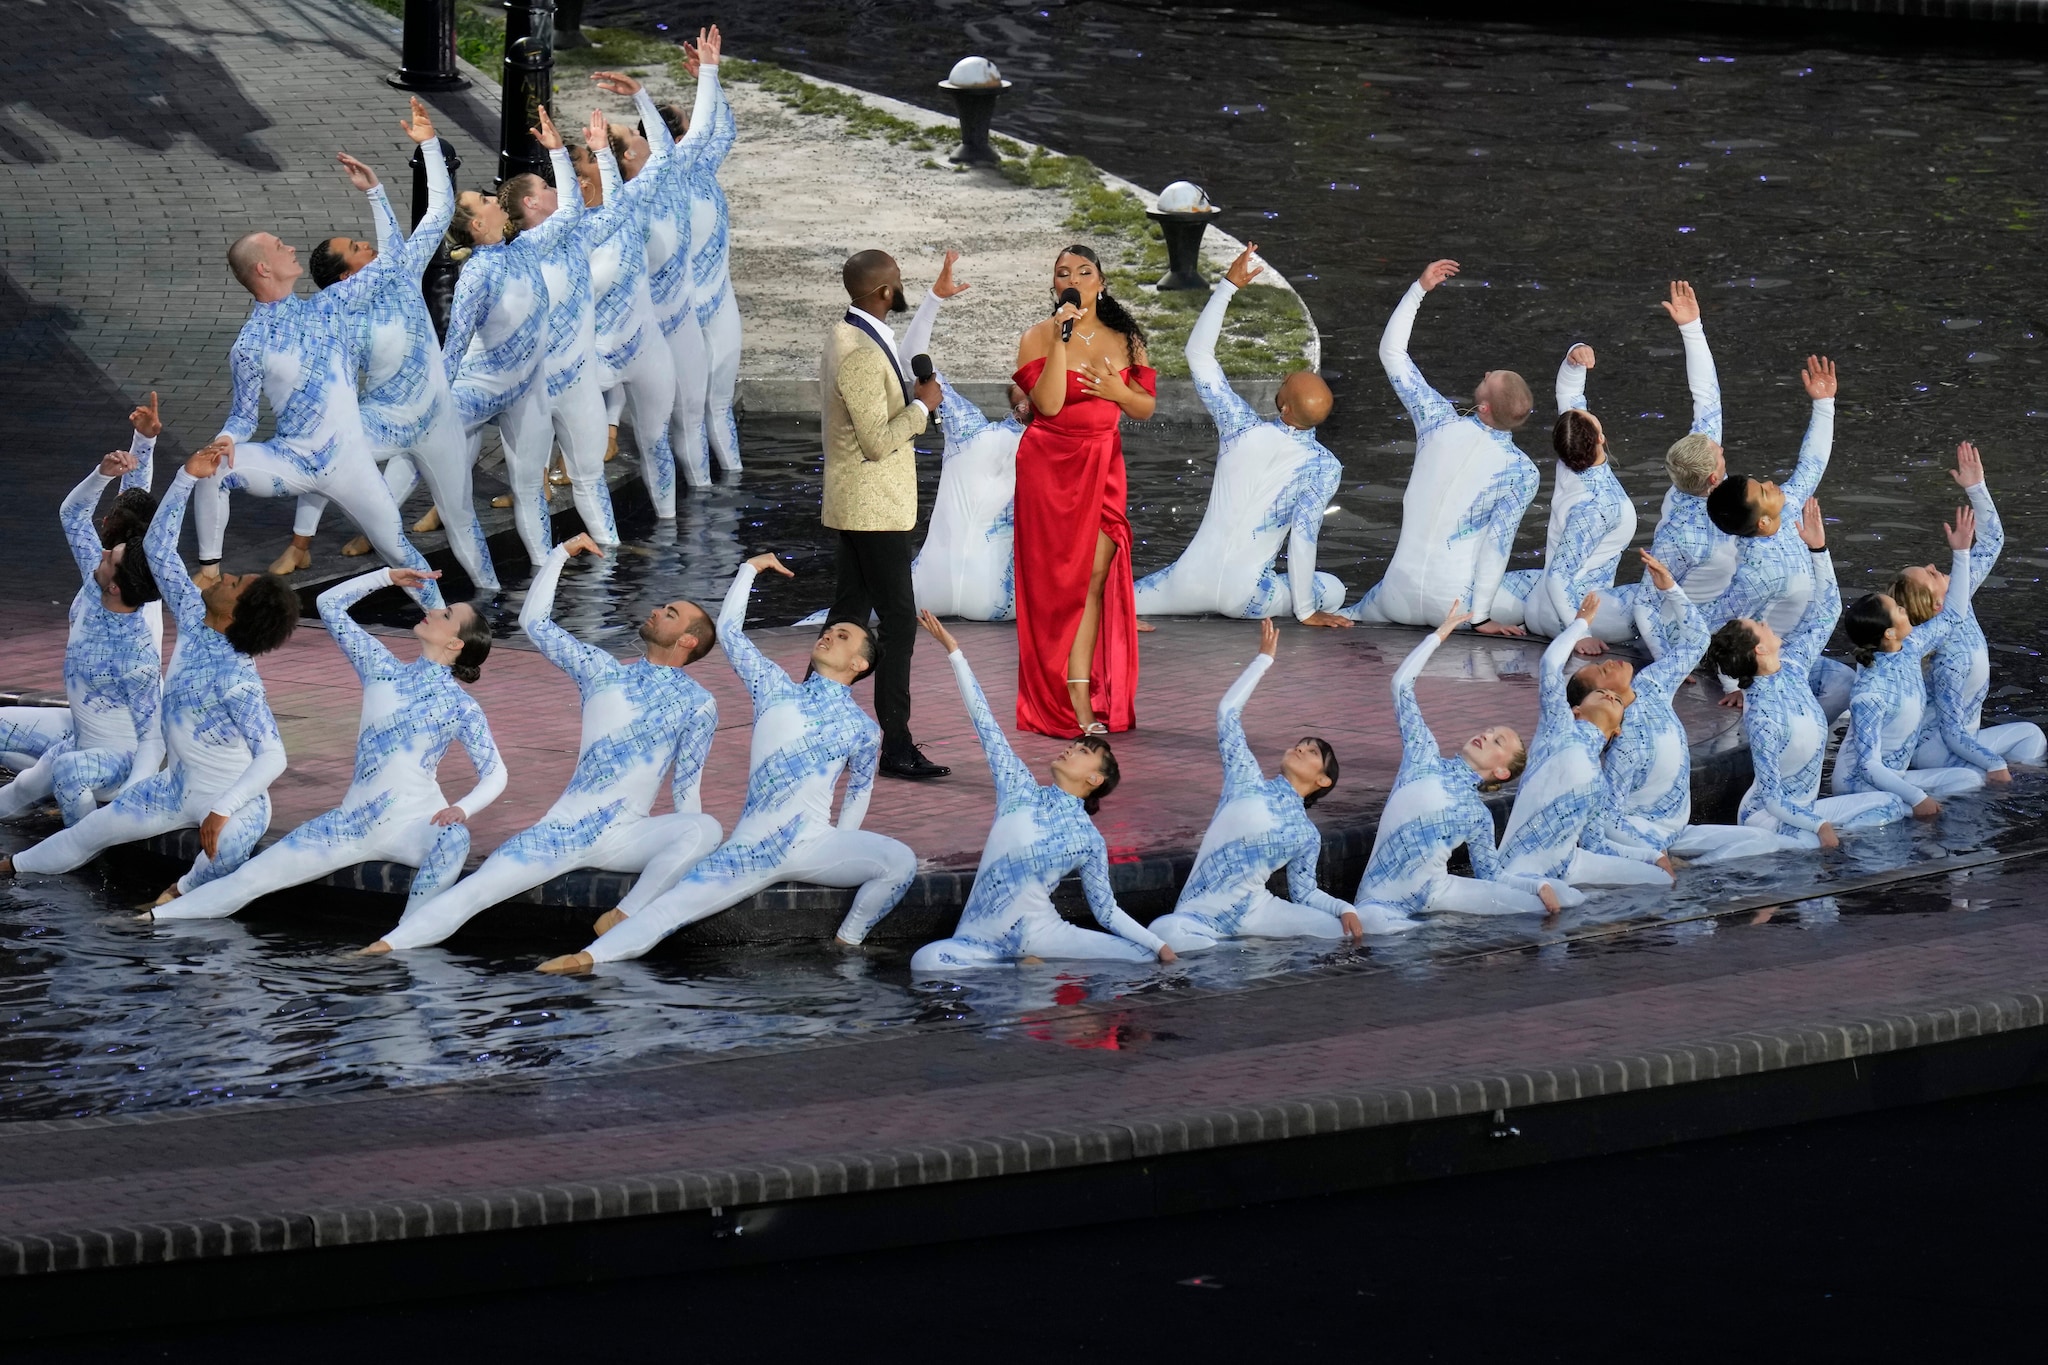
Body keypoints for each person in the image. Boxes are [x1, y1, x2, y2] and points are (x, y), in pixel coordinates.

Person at [538, 554, 916, 972]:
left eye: (841, 636)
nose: (828, 636)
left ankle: (848, 947)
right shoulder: (774, 689)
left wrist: (841, 845)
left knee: (900, 862)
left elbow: (859, 791)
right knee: (669, 911)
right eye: (828, 631)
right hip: (751, 849)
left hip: (814, 843)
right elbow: (731, 632)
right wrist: (749, 571)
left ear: (860, 664)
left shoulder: (863, 728)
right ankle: (588, 957)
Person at [365, 534, 722, 951]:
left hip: (626, 834)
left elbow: (687, 787)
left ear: (688, 640)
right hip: (561, 831)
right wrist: (558, 556)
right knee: (474, 893)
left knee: (703, 828)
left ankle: (624, 916)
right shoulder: (603, 671)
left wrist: (689, 857)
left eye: (670, 613)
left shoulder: (700, 703)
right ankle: (379, 950)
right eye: (663, 607)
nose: (657, 610)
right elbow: (535, 623)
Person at [3, 441, 297, 891]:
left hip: (229, 800)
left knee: (227, 854)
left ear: (236, 615)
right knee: (88, 831)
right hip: (174, 788)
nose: (223, 576)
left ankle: (170, 903)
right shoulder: (196, 617)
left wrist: (224, 808)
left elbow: (274, 755)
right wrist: (186, 478)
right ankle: (15, 866)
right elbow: (157, 548)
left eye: (233, 583)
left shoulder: (239, 679)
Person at [151, 564, 501, 921]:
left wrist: (464, 808)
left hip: (414, 824)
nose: (432, 612)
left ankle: (401, 940)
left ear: (455, 643)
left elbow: (495, 773)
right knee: (249, 879)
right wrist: (385, 577)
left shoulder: (462, 707)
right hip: (349, 824)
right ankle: (152, 920)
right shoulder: (381, 667)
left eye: (445, 615)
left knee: (454, 839)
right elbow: (329, 604)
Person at [291, 100, 497, 594]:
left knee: (463, 519)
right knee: (321, 454)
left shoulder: (401, 273)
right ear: (345, 275)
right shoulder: (338, 313)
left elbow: (441, 210)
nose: (371, 247)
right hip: (382, 419)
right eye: (358, 249)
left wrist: (425, 147)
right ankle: (302, 547)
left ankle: (493, 600)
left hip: (438, 421)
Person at [909, 611, 1175, 971]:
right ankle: (1020, 969)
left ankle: (1029, 967)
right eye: (1076, 745)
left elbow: (1106, 910)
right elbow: (984, 721)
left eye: (1084, 751)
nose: (1070, 748)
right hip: (978, 940)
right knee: (926, 962)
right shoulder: (1018, 788)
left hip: (1042, 933)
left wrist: (1159, 946)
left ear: (1094, 780)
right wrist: (954, 651)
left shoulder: (1088, 838)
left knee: (1141, 958)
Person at [197, 223, 440, 606]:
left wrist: (375, 190)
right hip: (289, 462)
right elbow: (242, 418)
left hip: (350, 466)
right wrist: (226, 439)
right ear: (263, 269)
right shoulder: (249, 345)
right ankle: (209, 571)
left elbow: (395, 261)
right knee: (211, 468)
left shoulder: (330, 306)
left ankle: (447, 632)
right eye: (280, 246)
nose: (291, 247)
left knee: (401, 553)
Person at [1133, 244, 1349, 626]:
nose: (1283, 379)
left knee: (1116, 597)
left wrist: (1228, 287)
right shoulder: (1325, 467)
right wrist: (1306, 612)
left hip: (1184, 585)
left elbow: (1198, 353)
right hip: (1248, 598)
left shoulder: (1239, 428)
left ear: (1284, 407)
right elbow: (1303, 537)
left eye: (1286, 382)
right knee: (1332, 588)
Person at [1681, 500, 1898, 861]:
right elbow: (1770, 796)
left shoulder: (1794, 666)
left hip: (1806, 812)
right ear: (1759, 652)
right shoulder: (1762, 712)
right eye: (1759, 627)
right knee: (1810, 844)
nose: (1767, 624)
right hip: (1767, 817)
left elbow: (1827, 610)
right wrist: (1818, 826)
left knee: (1889, 805)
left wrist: (1818, 550)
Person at [1339, 258, 1536, 632]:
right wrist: (1481, 620)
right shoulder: (1523, 471)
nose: (1486, 372)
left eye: (1489, 378)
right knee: (1538, 587)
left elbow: (1392, 354)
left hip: (1393, 598)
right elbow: (1498, 548)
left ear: (1484, 406)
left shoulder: (1437, 421)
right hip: (1454, 608)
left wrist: (1419, 291)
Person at [1349, 600, 1573, 921]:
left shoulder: (1478, 815)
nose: (1485, 735)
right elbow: (1401, 685)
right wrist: (1439, 635)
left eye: (1498, 741)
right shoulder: (1423, 757)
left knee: (1557, 900)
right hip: (1380, 904)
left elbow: (1492, 875)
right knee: (1378, 933)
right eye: (1490, 730)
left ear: (1500, 770)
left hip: (1438, 892)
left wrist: (1537, 886)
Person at [1148, 620, 1362, 953]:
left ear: (1323, 780)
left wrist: (1344, 908)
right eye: (1301, 743)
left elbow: (1304, 893)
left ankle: (1244, 956)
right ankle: (1239, 955)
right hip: (1198, 917)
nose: (1301, 748)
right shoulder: (1245, 780)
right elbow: (1227, 713)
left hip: (1257, 911)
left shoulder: (1306, 835)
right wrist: (1263, 659)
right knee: (1163, 930)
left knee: (1349, 930)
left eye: (1312, 750)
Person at [1013, 243, 1157, 737]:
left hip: (1102, 466)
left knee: (1093, 577)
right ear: (1055, 286)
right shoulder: (1036, 336)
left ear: (1101, 281)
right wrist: (1059, 340)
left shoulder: (1127, 338)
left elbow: (1143, 408)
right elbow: (1048, 405)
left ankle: (1081, 687)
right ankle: (1053, 693)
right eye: (1061, 273)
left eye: (1082, 270)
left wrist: (1119, 392)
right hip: (1048, 466)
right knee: (1056, 584)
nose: (1071, 278)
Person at [821, 247, 951, 778]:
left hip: (861, 505)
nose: (900, 289)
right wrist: (923, 408)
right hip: (871, 508)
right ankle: (896, 746)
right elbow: (876, 443)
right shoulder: (858, 352)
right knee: (898, 622)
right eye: (896, 283)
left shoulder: (850, 334)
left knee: (848, 611)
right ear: (883, 293)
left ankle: (811, 716)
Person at [0, 446, 161, 826]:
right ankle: (40, 812)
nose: (103, 554)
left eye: (111, 557)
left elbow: (154, 741)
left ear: (117, 587)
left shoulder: (137, 651)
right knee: (29, 782)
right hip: (79, 737)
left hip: (115, 764)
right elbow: (73, 515)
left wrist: (133, 800)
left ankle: (86, 848)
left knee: (69, 771)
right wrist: (103, 473)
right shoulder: (97, 583)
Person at [592, 26, 722, 492]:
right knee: (656, 438)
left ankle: (702, 510)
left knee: (687, 423)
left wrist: (645, 95)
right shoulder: (628, 201)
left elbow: (696, 133)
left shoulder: (660, 177)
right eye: (635, 133)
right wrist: (706, 71)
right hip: (641, 335)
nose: (649, 136)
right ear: (630, 154)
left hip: (677, 325)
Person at [1702, 355, 1854, 717]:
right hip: (1775, 660)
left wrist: (1824, 403)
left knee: (1847, 685)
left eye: (1763, 484)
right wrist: (1737, 685)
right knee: (1843, 689)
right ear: (1763, 524)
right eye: (1764, 491)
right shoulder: (1757, 573)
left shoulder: (1782, 510)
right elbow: (1713, 627)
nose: (1772, 484)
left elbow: (1812, 464)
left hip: (1804, 647)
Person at [1581, 282, 1728, 644]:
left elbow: (1707, 402)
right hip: (1667, 625)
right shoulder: (1680, 534)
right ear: (1713, 475)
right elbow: (1649, 604)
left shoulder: (1686, 482)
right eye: (1721, 453)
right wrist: (1670, 661)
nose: (1723, 450)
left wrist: (1692, 327)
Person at [1496, 595, 1674, 891]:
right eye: (1603, 688)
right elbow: (1550, 665)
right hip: (1521, 871)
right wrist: (1581, 623)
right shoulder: (1559, 729)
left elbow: (1595, 843)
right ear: (1576, 708)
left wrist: (1651, 856)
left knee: (1662, 880)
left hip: (1571, 864)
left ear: (1618, 728)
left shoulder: (1598, 781)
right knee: (1565, 901)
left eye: (1616, 699)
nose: (1609, 696)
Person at [502, 106, 618, 546]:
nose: (555, 189)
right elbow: (571, 207)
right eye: (546, 185)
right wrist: (558, 155)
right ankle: (538, 574)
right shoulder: (522, 251)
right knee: (530, 486)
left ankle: (610, 562)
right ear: (531, 203)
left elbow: (616, 209)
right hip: (530, 390)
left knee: (590, 478)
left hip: (579, 385)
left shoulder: (576, 235)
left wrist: (603, 153)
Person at [1829, 508, 1985, 824]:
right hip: (1858, 786)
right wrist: (1917, 798)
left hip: (1894, 778)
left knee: (1968, 780)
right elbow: (1868, 766)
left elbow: (1953, 614)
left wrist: (1961, 553)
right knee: (1895, 809)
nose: (1906, 611)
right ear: (1889, 632)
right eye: (1899, 610)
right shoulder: (1870, 691)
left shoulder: (1910, 647)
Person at [1900, 442, 2046, 777]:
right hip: (1936, 748)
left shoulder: (1959, 597)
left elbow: (1992, 540)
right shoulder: (1944, 655)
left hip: (1965, 739)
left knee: (2031, 737)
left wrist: (1976, 488)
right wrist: (1995, 766)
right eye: (1932, 574)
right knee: (1976, 777)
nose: (1935, 565)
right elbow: (1951, 731)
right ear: (1935, 604)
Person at [1487, 342, 1633, 648]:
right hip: (1567, 613)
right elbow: (1558, 576)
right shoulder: (1599, 505)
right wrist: (1579, 634)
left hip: (1537, 604)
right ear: (1601, 438)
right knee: (1657, 598)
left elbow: (1568, 395)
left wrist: (1574, 357)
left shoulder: (1568, 462)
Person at [578, 105, 680, 516]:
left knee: (657, 443)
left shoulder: (629, 204)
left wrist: (640, 95)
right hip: (595, 360)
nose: (599, 154)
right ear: (581, 182)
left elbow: (665, 156)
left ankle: (670, 538)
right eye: (590, 156)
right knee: (579, 458)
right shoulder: (569, 229)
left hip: (647, 351)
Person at [681, 31, 744, 474]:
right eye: (685, 127)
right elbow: (706, 129)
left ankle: (731, 487)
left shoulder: (700, 171)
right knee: (689, 413)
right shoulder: (653, 187)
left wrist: (712, 80)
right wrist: (707, 73)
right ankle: (699, 494)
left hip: (720, 302)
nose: (695, 133)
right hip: (682, 313)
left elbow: (723, 130)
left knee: (719, 405)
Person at [912, 373, 1024, 621]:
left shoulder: (969, 431)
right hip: (1000, 601)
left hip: (926, 590)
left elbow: (915, 361)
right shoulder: (1054, 446)